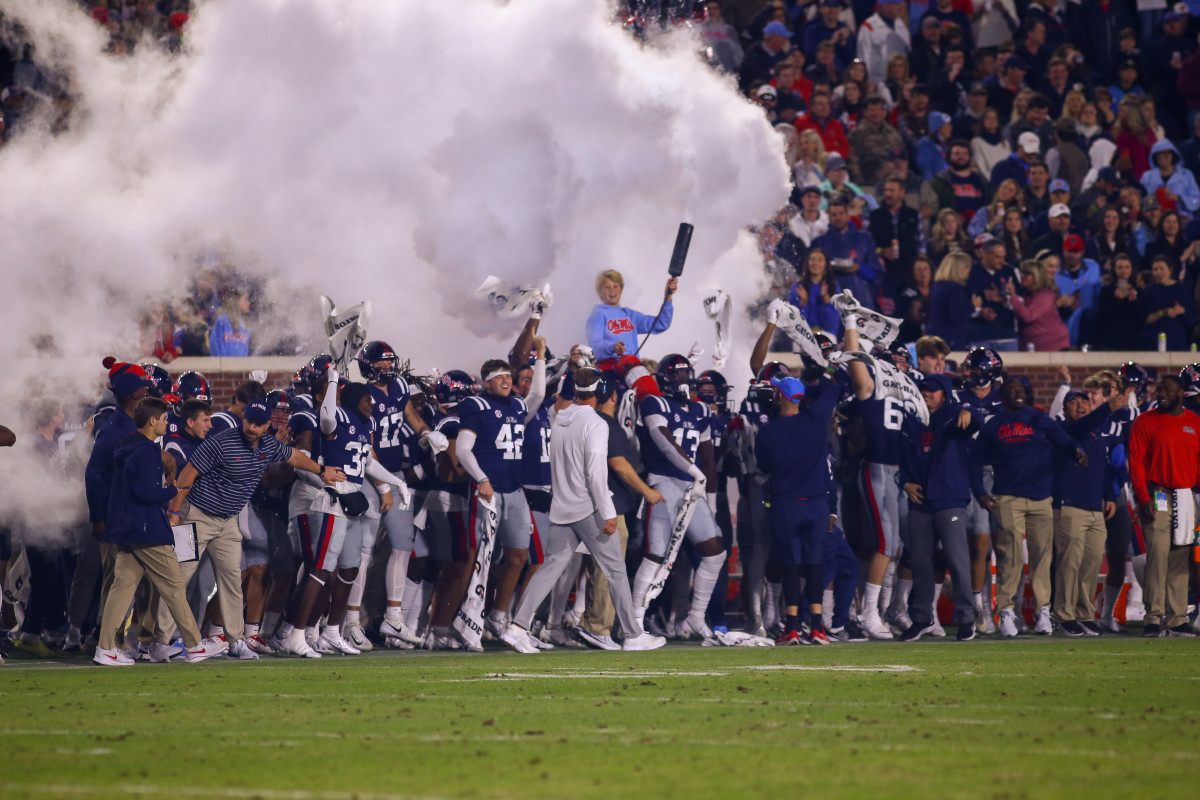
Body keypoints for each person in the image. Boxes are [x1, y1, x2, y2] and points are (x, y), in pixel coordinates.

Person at [501, 369, 666, 653]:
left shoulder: (559, 417)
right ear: (600, 391)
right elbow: (595, 473)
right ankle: (633, 634)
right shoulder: (596, 423)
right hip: (587, 509)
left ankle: (517, 627)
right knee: (615, 570)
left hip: (561, 505)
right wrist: (608, 512)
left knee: (550, 568)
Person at [167, 396, 343, 660]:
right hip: (197, 515)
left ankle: (235, 640)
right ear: (243, 418)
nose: (252, 428)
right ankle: (161, 640)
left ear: (267, 425)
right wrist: (174, 511)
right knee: (179, 577)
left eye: (259, 424)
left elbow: (293, 455)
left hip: (227, 522)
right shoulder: (222, 441)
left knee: (232, 581)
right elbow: (188, 474)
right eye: (249, 421)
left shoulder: (269, 444)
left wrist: (321, 471)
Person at [94, 398, 228, 666]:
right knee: (176, 588)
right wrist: (174, 490)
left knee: (120, 590)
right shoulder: (147, 452)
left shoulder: (127, 446)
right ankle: (194, 645)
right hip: (147, 530)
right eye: (165, 418)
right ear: (152, 421)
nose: (168, 423)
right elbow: (146, 493)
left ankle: (105, 647)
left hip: (128, 529)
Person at [975, 379, 1087, 637]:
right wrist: (980, 492)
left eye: (1020, 390)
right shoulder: (994, 425)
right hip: (1008, 498)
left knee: (1041, 557)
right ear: (1002, 397)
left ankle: (1043, 612)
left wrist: (1076, 451)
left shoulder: (1039, 419)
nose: (1017, 394)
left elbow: (1063, 439)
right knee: (1009, 557)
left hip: (1040, 498)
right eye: (1011, 391)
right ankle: (1005, 611)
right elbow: (975, 461)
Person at [629, 356, 727, 639]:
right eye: (676, 374)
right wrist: (696, 472)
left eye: (686, 374)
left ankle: (694, 618)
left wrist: (709, 500)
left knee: (715, 551)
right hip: (663, 482)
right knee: (656, 553)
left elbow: (709, 458)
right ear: (663, 379)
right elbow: (664, 442)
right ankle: (635, 620)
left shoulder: (700, 409)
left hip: (693, 486)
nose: (683, 380)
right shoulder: (655, 403)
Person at [755, 371, 841, 645]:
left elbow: (764, 466)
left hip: (786, 505)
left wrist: (800, 392)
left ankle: (791, 627)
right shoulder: (816, 421)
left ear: (780, 396)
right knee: (815, 563)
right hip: (815, 504)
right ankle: (817, 626)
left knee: (790, 564)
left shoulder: (768, 431)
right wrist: (806, 390)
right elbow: (834, 388)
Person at [898, 373, 982, 641]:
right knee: (920, 562)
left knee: (957, 562)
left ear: (944, 393)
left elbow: (973, 421)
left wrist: (969, 412)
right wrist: (906, 483)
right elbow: (905, 455)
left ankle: (967, 619)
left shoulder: (954, 412)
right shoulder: (912, 420)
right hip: (920, 501)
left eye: (932, 391)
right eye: (923, 390)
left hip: (949, 499)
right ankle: (922, 618)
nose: (927, 394)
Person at [1128, 374, 1200, 637]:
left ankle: (1177, 619)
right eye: (1159, 390)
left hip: (1185, 495)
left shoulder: (1195, 423)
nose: (1160, 394)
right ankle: (1153, 617)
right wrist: (1143, 498)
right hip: (1156, 493)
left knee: (1181, 557)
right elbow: (1135, 463)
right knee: (1158, 554)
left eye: (1167, 390)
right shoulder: (1145, 422)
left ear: (1181, 393)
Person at [1052, 390, 1120, 637]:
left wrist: (1109, 496)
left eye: (1084, 401)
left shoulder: (1096, 434)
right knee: (1068, 564)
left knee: (1090, 565)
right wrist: (1107, 408)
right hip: (1069, 506)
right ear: (1064, 408)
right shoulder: (1062, 430)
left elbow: (1103, 469)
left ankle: (1083, 613)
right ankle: (1063, 614)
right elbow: (1079, 429)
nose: (1080, 405)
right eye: (1073, 402)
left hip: (1095, 509)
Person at [585, 269, 678, 363]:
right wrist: (613, 348)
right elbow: (593, 349)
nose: (612, 290)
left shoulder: (629, 315)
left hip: (632, 366)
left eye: (615, 286)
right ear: (599, 292)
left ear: (621, 290)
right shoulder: (598, 315)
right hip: (609, 367)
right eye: (607, 287)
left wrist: (668, 297)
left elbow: (661, 324)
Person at [1007, 259, 1071, 351]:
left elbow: (1028, 316)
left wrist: (1013, 296)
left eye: (1027, 274)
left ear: (1037, 276)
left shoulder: (1045, 295)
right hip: (1035, 346)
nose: (1022, 276)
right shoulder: (1027, 295)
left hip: (1054, 345)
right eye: (1022, 273)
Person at [1139, 255, 1196, 350]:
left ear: (1170, 270)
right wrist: (1163, 312)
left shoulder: (1181, 288)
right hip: (1154, 336)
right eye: (1155, 269)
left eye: (1162, 269)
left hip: (1177, 336)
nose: (1158, 272)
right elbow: (1145, 318)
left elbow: (1191, 316)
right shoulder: (1147, 291)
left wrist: (1182, 311)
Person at [847, 97, 904, 187]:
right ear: (864, 112)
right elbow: (853, 161)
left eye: (881, 109)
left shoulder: (893, 133)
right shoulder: (857, 134)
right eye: (872, 110)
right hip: (871, 180)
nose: (877, 113)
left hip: (896, 178)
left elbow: (902, 157)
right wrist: (860, 184)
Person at [1139, 139, 1200, 215]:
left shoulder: (1186, 174)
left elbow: (1196, 200)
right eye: (1159, 153)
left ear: (1173, 154)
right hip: (1154, 217)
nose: (1162, 156)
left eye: (1166, 153)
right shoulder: (1147, 176)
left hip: (1181, 217)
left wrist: (1179, 198)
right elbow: (1139, 199)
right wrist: (1151, 199)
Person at [927, 251, 973, 350]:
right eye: (967, 267)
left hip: (935, 336)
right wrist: (973, 306)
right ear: (959, 269)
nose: (969, 270)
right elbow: (956, 316)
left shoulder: (937, 285)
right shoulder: (954, 288)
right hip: (950, 340)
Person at [857, 0, 910, 82]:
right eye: (896, 4)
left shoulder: (901, 24)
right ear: (885, 6)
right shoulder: (868, 26)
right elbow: (862, 57)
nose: (900, 7)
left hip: (899, 80)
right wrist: (866, 81)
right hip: (877, 81)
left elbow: (907, 53)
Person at [208, 289, 251, 357]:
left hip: (241, 366)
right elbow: (215, 345)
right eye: (245, 299)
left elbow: (245, 350)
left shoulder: (246, 324)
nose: (248, 303)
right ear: (236, 300)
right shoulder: (222, 320)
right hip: (223, 365)